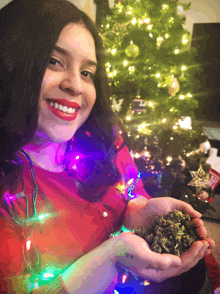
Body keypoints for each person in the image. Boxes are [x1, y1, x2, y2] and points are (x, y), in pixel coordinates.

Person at [0, 0, 215, 293]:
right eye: (53, 61)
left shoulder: (101, 137)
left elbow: (130, 193)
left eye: (87, 72)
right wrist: (111, 258)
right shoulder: (9, 192)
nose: (76, 85)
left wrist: (140, 210)